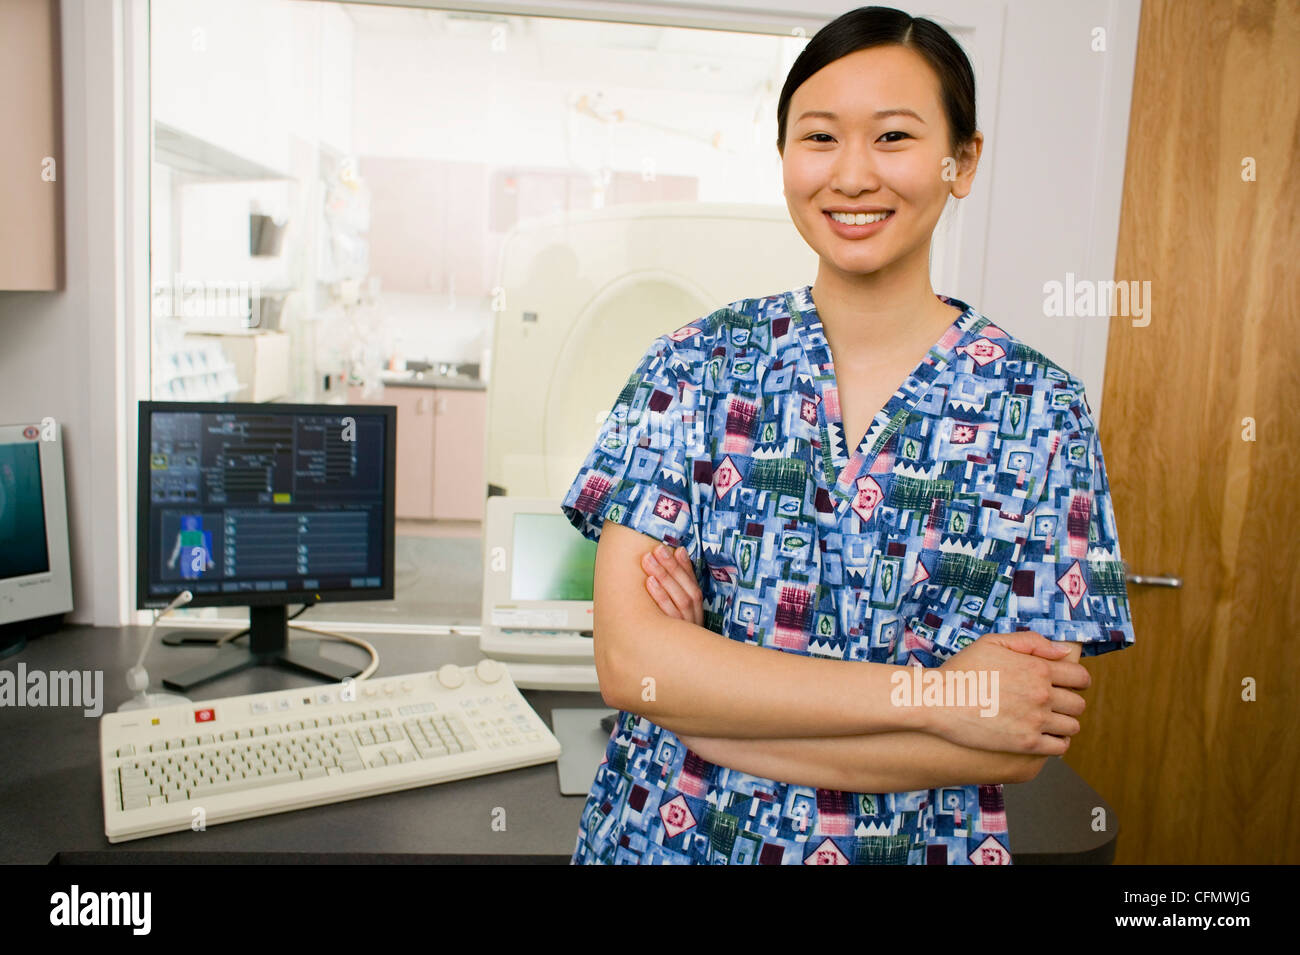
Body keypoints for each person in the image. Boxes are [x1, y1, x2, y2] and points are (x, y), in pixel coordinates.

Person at [560, 5, 1136, 865]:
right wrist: (939, 696)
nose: (853, 175)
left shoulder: (1043, 409)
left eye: (895, 137)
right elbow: (633, 666)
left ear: (963, 160)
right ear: (787, 157)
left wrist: (709, 713)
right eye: (819, 138)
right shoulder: (693, 366)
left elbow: (1016, 739)